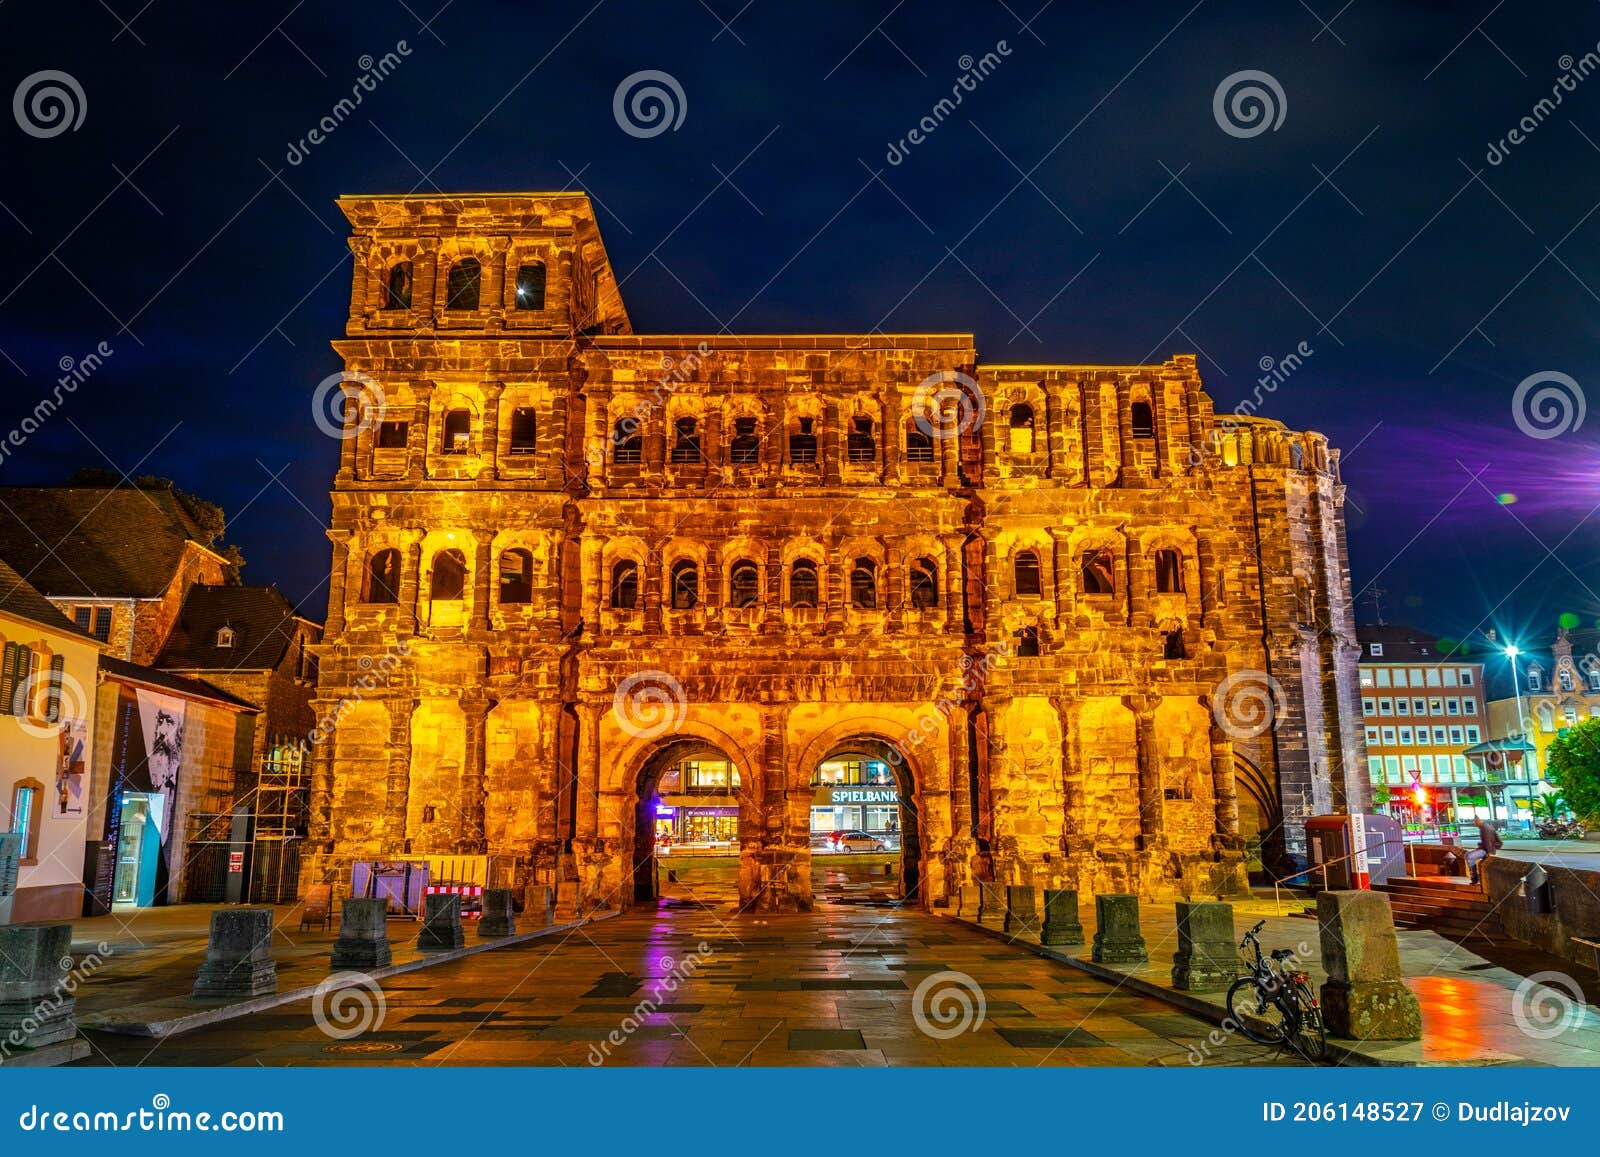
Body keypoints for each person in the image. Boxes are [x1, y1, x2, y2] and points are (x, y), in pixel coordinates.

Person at [1467, 819, 1502, 885]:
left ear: (1478, 821)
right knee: (1467, 854)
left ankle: (1474, 878)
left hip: (1487, 850)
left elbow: (1488, 842)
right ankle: (1474, 876)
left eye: (1475, 822)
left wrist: (1489, 853)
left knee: (1470, 856)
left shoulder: (1485, 828)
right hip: (1486, 849)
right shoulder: (1484, 827)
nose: (1475, 824)